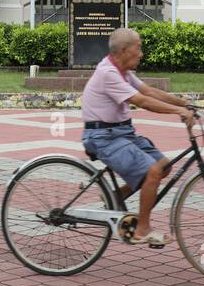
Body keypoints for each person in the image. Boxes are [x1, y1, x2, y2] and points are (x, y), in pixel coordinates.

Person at [81, 27, 194, 248]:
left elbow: (149, 92)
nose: (141, 54)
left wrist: (183, 103)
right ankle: (142, 229)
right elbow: (142, 101)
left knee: (163, 166)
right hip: (103, 137)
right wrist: (178, 112)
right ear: (124, 50)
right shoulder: (108, 73)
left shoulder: (123, 71)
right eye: (138, 48)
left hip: (121, 132)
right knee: (152, 172)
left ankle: (114, 196)